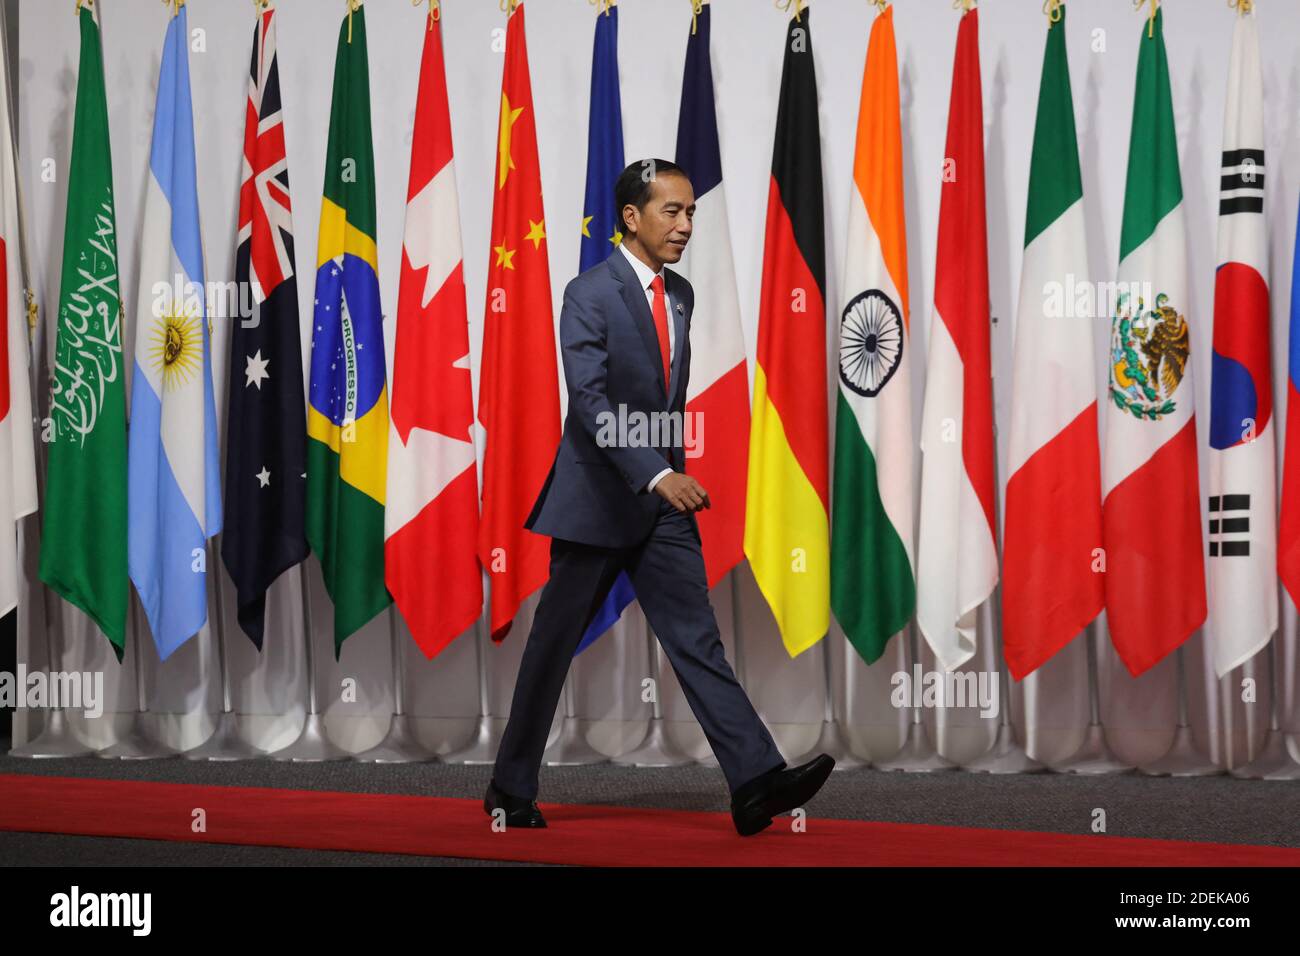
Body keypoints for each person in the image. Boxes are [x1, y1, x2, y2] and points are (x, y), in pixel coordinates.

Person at [483, 159, 834, 837]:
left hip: (660, 509)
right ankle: (508, 787)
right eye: (671, 211)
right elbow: (587, 403)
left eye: (692, 212)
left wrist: (668, 476)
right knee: (552, 648)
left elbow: (664, 402)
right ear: (631, 218)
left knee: (697, 641)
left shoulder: (682, 295)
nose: (685, 225)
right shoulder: (587, 293)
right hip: (595, 503)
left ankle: (755, 783)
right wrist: (655, 472)